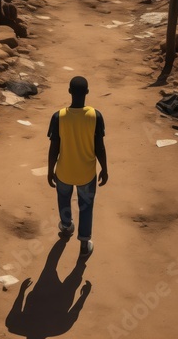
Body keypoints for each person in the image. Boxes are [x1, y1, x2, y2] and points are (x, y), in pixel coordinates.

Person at [47, 76, 108, 257]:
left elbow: (54, 147)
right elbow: (100, 147)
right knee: (86, 206)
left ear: (69, 91)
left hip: (64, 172)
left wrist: (50, 170)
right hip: (86, 174)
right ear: (87, 92)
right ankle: (83, 243)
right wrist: (104, 168)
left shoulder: (59, 116)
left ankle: (66, 227)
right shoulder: (95, 116)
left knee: (63, 200)